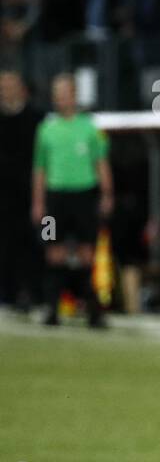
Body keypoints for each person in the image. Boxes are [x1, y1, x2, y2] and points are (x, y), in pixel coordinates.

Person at [31, 74, 113, 328]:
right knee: (52, 252)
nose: (61, 98)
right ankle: (52, 309)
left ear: (74, 96)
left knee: (87, 253)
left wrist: (107, 193)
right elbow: (39, 169)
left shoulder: (90, 128)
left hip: (84, 196)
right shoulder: (45, 129)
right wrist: (38, 203)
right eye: (57, 93)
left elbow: (101, 163)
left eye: (65, 93)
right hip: (55, 199)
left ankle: (93, 311)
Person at [0, 71, 43, 310]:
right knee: (7, 243)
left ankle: (41, 293)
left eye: (10, 85)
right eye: (2, 86)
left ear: (21, 88)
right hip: (5, 198)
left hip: (40, 197)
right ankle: (9, 293)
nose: (6, 90)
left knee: (46, 238)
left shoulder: (39, 119)